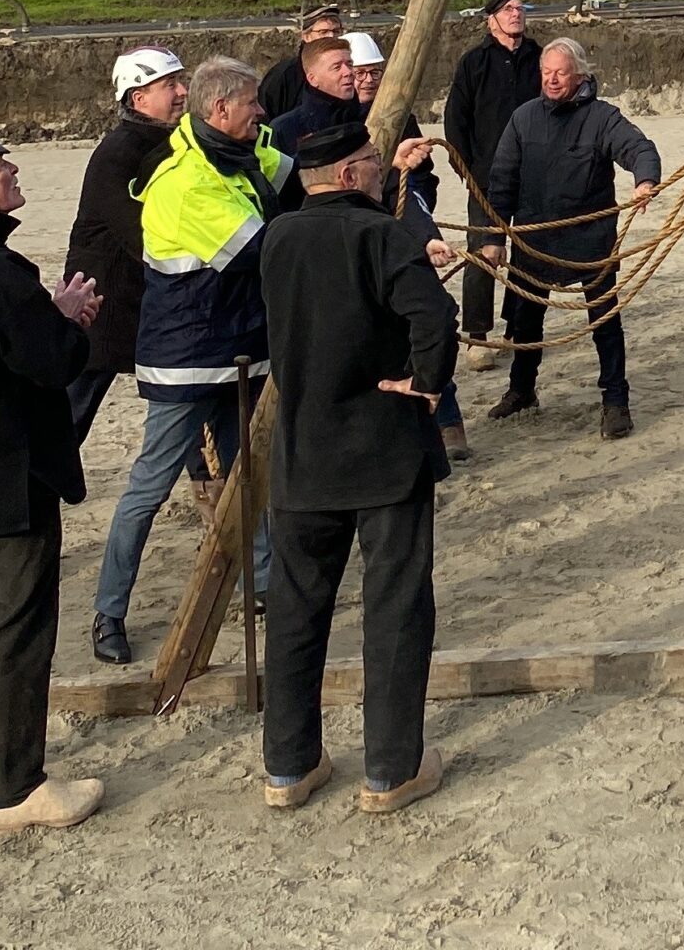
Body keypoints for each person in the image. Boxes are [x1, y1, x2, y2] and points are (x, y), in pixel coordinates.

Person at [258, 121, 458, 816]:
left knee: (295, 612)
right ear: (347, 173)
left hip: (302, 452)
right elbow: (434, 315)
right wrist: (428, 380)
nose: (381, 172)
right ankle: (391, 769)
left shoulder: (277, 236)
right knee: (396, 608)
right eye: (373, 163)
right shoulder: (380, 236)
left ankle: (288, 764)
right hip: (380, 450)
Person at [91, 57, 296, 666]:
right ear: (220, 111)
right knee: (149, 487)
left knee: (248, 476)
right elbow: (263, 251)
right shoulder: (184, 182)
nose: (263, 114)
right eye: (253, 104)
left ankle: (263, 584)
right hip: (187, 360)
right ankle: (109, 611)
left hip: (240, 348)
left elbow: (299, 178)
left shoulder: (235, 150)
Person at [0, 130, 105, 833]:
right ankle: (11, 785)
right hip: (5, 471)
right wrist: (68, 320)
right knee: (14, 629)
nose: (13, 171)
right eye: (0, 168)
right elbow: (50, 361)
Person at [486, 38, 660, 441]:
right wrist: (495, 237)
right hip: (534, 239)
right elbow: (501, 182)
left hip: (589, 240)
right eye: (546, 72)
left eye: (560, 72)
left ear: (579, 75)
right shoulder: (523, 118)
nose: (551, 80)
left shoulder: (602, 117)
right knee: (526, 322)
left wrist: (646, 179)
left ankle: (616, 400)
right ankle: (522, 390)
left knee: (604, 322)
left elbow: (638, 147)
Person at [349, 32, 470, 464]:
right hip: (358, 241)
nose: (366, 80)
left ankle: (448, 418)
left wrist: (424, 235)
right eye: (360, 73)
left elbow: (415, 185)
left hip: (400, 234)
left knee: (430, 320)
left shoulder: (402, 116)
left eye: (373, 73)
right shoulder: (332, 122)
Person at [63, 48, 189, 445]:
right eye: (170, 85)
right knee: (76, 401)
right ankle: (41, 478)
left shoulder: (167, 143)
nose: (183, 91)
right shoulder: (119, 153)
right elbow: (141, 234)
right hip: (104, 297)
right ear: (139, 98)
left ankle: (203, 474)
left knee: (181, 394)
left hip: (140, 295)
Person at [443, 0, 542, 370]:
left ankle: (518, 329)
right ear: (491, 19)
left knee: (528, 253)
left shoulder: (538, 57)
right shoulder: (474, 63)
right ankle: (478, 336)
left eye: (520, 8)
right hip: (485, 175)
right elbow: (457, 121)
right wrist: (466, 170)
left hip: (532, 172)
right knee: (483, 253)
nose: (516, 14)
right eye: (508, 9)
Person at [270, 36, 358, 156]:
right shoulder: (284, 129)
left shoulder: (369, 117)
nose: (348, 72)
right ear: (313, 79)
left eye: (350, 64)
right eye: (337, 67)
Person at [259, 4, 344, 122]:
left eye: (336, 31)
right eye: (323, 32)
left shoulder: (347, 72)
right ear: (306, 36)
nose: (331, 37)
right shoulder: (284, 76)